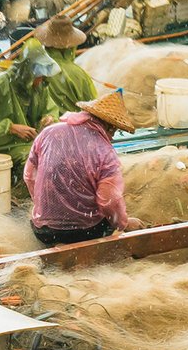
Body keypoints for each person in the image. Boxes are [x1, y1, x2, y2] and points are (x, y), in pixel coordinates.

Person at [25, 90, 143, 244]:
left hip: (44, 230)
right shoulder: (105, 152)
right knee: (111, 222)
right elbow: (109, 200)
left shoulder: (48, 132)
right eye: (114, 131)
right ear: (108, 126)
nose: (112, 137)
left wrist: (45, 206)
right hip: (84, 233)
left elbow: (29, 176)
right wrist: (124, 223)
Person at [0, 39, 60, 168]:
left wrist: (49, 118)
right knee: (35, 159)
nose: (40, 80)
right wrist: (11, 128)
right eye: (38, 76)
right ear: (27, 72)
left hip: (30, 143)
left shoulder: (40, 86)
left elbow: (49, 109)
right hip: (3, 147)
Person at [33, 15, 95, 113]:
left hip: (42, 126)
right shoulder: (78, 74)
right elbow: (92, 107)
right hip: (71, 126)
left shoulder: (35, 67)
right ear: (71, 47)